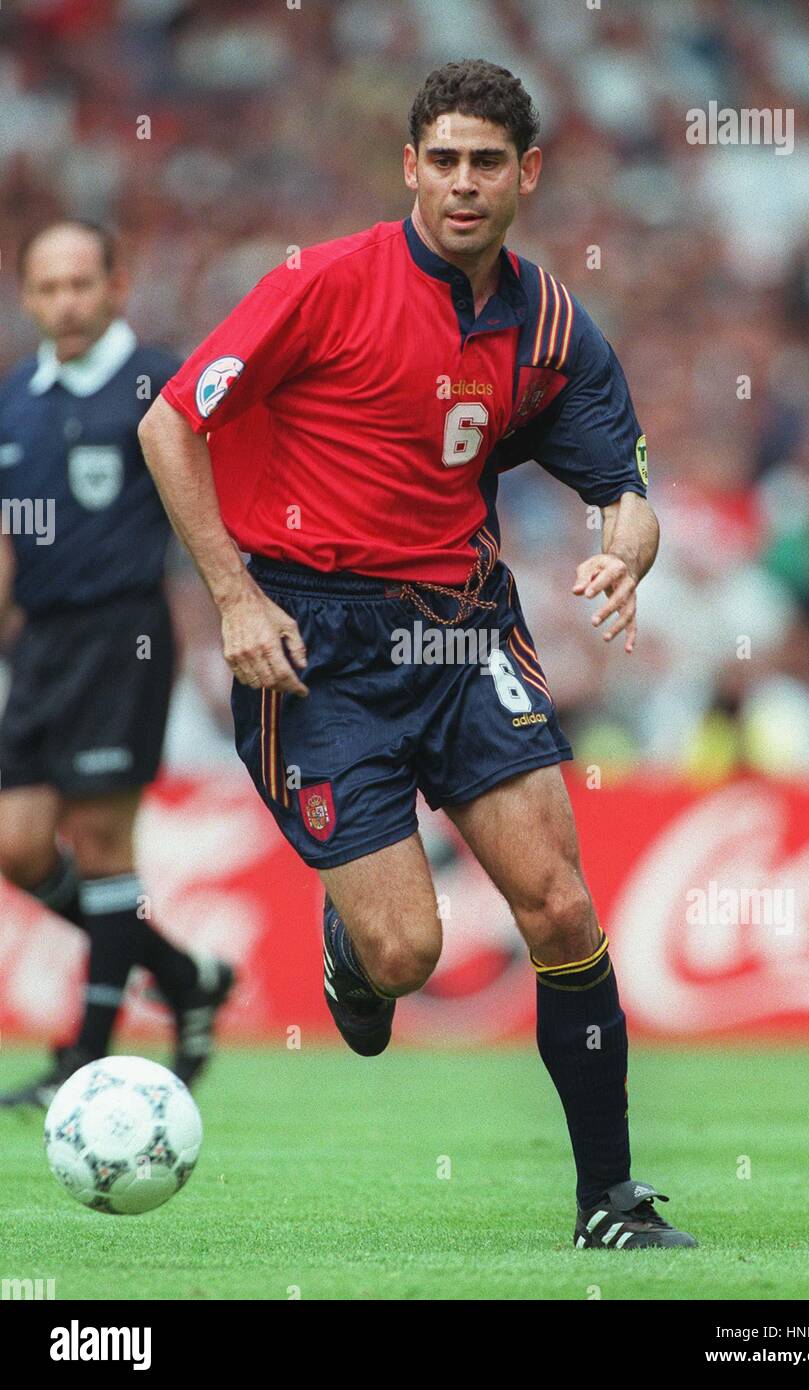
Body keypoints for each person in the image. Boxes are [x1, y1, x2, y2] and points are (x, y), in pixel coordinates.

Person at [139, 60, 695, 1249]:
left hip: (463, 629)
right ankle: (356, 948)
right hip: (311, 642)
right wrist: (233, 599)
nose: (461, 182)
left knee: (555, 902)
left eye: (485, 162)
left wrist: (624, 549)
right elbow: (170, 422)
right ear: (408, 166)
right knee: (405, 951)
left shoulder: (547, 323)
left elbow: (626, 487)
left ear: (524, 175)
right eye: (440, 158)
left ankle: (608, 1196)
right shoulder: (322, 283)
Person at [0, 221, 234, 1109]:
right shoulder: (15, 398)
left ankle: (85, 1058)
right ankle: (181, 976)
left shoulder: (161, 385)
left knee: (102, 846)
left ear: (117, 285)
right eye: (47, 286)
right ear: (27, 296)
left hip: (123, 636)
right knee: (18, 848)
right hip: (40, 644)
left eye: (80, 284)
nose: (65, 302)